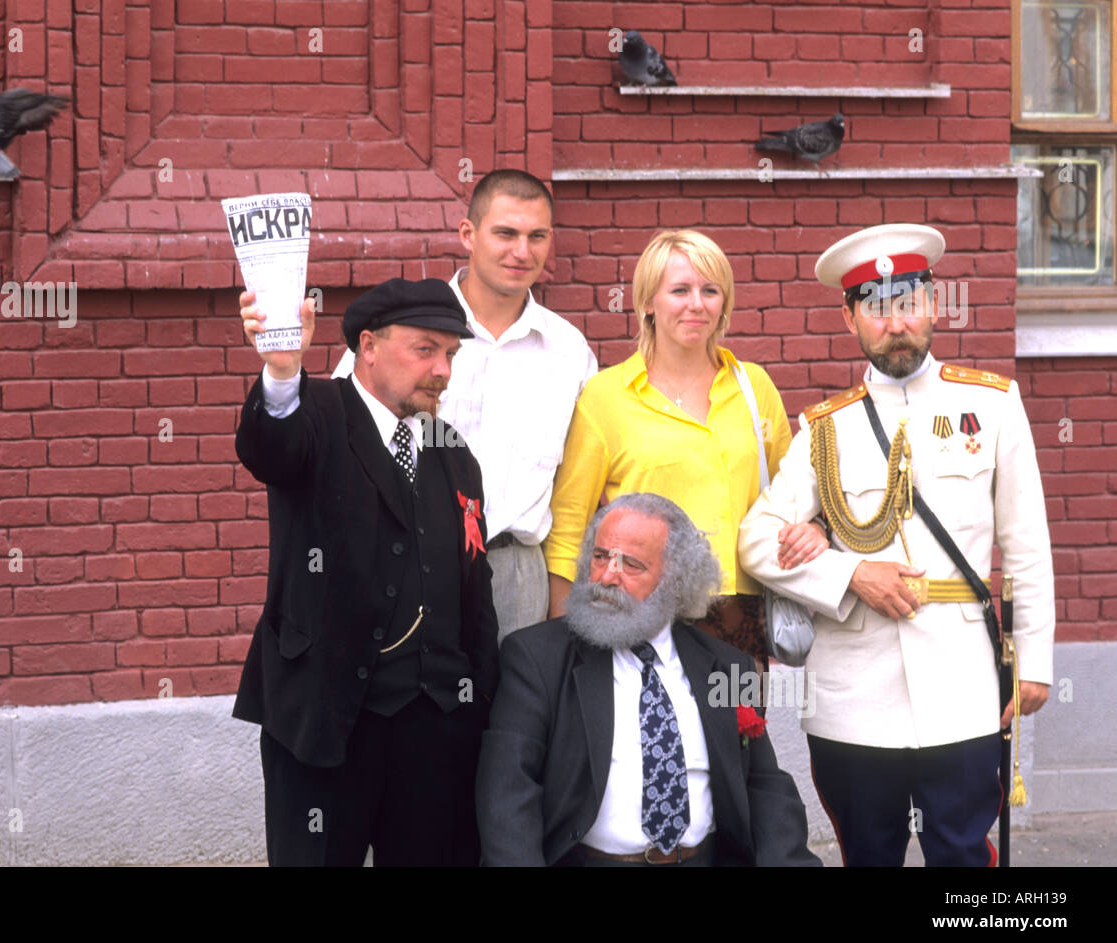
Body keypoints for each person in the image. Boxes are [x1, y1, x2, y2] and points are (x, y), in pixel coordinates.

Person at [737, 223, 1055, 866]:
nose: (896, 323)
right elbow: (755, 542)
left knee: (963, 855)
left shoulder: (990, 406)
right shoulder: (825, 429)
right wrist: (849, 574)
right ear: (850, 316)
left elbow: (1026, 543)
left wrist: (1036, 661)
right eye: (877, 309)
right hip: (855, 695)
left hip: (962, 682)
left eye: (907, 304)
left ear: (933, 305)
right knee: (869, 853)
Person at [232, 277, 499, 866]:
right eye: (425, 349)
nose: (443, 371)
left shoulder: (453, 451)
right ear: (369, 346)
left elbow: (475, 588)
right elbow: (270, 446)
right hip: (326, 724)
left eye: (451, 354)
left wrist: (477, 699)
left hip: (435, 735)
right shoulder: (318, 414)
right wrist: (281, 371)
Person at [476, 493, 821, 867]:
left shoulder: (727, 666)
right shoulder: (537, 659)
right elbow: (507, 792)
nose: (607, 576)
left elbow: (764, 784)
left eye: (632, 565)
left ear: (675, 581)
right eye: (600, 556)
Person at [332, 170, 598, 642]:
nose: (522, 251)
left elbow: (577, 489)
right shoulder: (401, 329)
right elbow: (341, 440)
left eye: (537, 236)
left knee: (515, 714)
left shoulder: (570, 352)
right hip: (407, 562)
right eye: (505, 233)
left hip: (517, 572)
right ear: (468, 235)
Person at [544, 228, 825, 666]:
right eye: (680, 290)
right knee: (648, 734)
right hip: (641, 610)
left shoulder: (754, 388)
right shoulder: (606, 397)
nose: (697, 304)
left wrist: (817, 528)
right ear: (647, 303)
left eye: (710, 290)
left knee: (740, 734)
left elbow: (791, 500)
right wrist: (562, 648)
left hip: (741, 616)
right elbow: (566, 531)